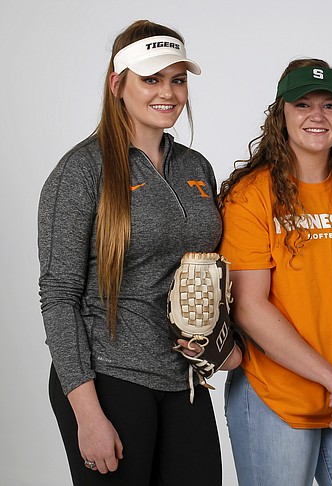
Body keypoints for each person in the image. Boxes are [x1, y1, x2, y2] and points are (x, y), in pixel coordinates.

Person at [38, 20, 240, 485]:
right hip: (109, 378)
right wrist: (87, 414)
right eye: (151, 79)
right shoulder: (81, 171)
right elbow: (58, 296)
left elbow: (207, 271)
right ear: (117, 84)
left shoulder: (195, 166)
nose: (168, 92)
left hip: (185, 380)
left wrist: (224, 342)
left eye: (177, 79)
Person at [217, 58, 332, 486]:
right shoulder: (251, 196)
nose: (317, 115)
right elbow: (249, 306)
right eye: (302, 104)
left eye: (329, 105)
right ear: (280, 115)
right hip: (275, 395)